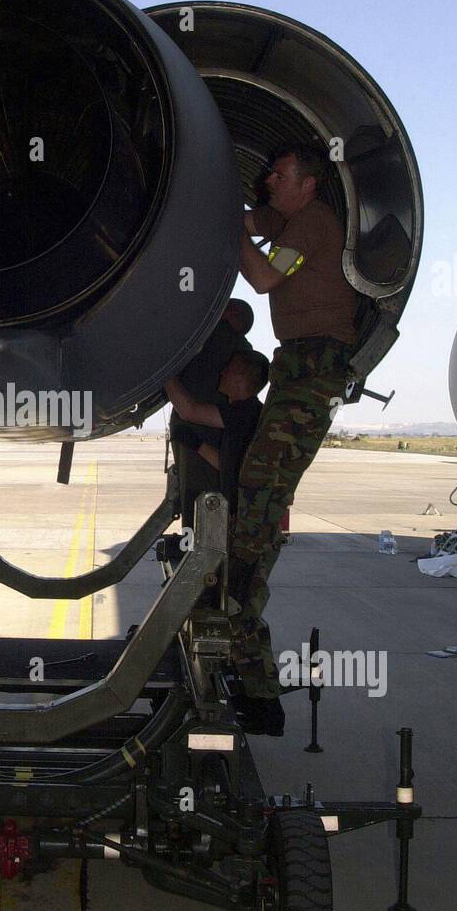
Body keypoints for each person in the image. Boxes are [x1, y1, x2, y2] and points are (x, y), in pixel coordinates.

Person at [229, 142, 359, 733]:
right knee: (255, 499)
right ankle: (241, 644)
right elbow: (259, 221)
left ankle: (248, 655)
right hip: (298, 369)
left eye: (278, 175)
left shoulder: (312, 223)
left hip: (311, 372)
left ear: (307, 184)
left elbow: (260, 276)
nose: (268, 180)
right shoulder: (289, 218)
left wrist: (223, 227)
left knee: (258, 503)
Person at [168, 298, 255, 521]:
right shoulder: (242, 351)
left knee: (200, 513)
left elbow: (190, 411)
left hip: (200, 448)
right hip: (202, 447)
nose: (223, 373)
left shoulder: (218, 338)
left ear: (231, 314)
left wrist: (161, 367)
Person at [166, 348, 270, 512]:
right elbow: (228, 465)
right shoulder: (250, 413)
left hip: (245, 512)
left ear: (240, 378)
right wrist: (197, 444)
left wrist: (165, 373)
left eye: (228, 369)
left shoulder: (245, 411)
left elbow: (189, 411)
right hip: (242, 510)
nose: (222, 372)